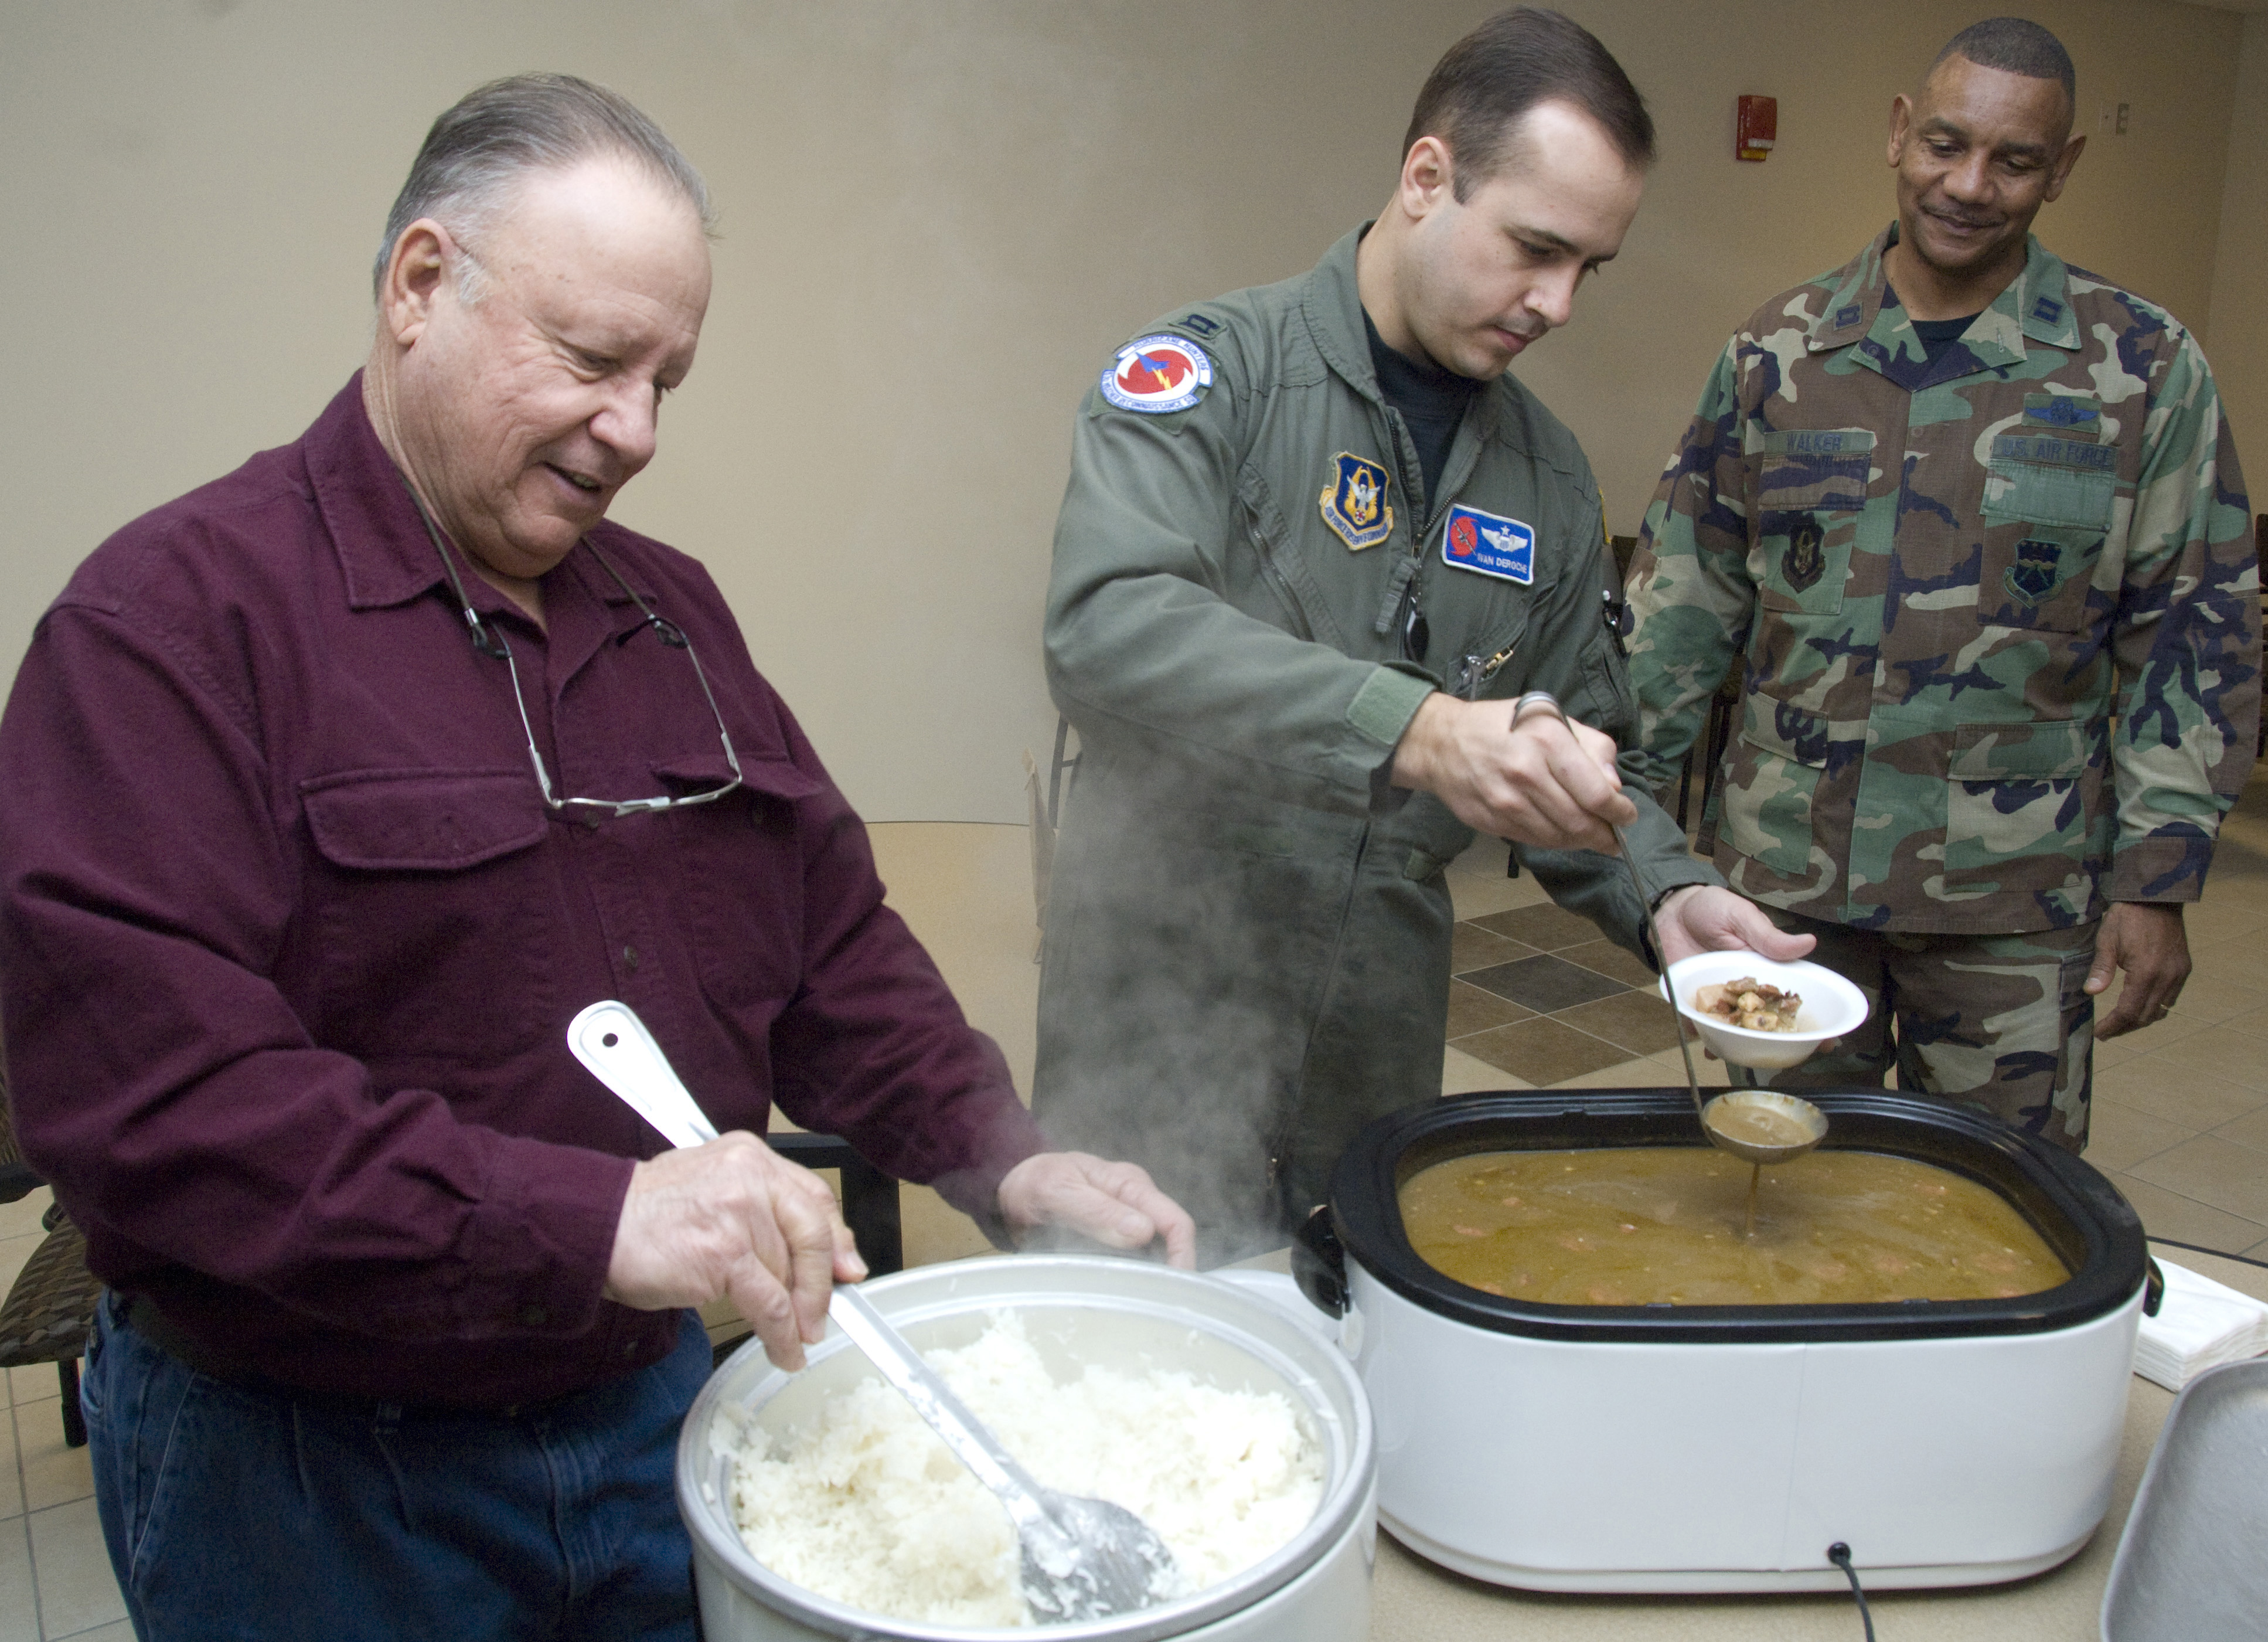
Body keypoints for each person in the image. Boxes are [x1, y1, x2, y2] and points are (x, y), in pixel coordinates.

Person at [0, 74, 1192, 1641]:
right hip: (308, 1475)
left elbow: (829, 951)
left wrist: (1004, 1151)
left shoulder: (672, 616)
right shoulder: (166, 627)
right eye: (589, 359)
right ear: (421, 286)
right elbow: (152, 1104)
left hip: (646, 1418)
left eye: (666, 379)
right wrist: (599, 1220)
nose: (632, 429)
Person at [1033, 8, 1806, 1264]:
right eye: (1535, 250)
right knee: (1124, 1396)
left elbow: (1583, 743)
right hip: (1156, 1017)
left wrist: (1666, 890)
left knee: (1353, 1373)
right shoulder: (1207, 382)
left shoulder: (1547, 479)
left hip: (1372, 1051)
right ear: (1427, 178)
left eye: (1587, 269)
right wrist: (1423, 730)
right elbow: (1108, 628)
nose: (1555, 303)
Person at [1622, 18, 2259, 1150]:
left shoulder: (2141, 368)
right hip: (1785, 891)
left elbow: (2191, 632)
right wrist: (1630, 840)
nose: (1968, 186)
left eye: (2014, 162)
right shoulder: (1779, 351)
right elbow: (1686, 599)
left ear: (2060, 169)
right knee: (1769, 1198)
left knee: (1998, 1213)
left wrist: (2156, 878)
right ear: (1898, 135)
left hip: (2013, 910)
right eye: (1945, 146)